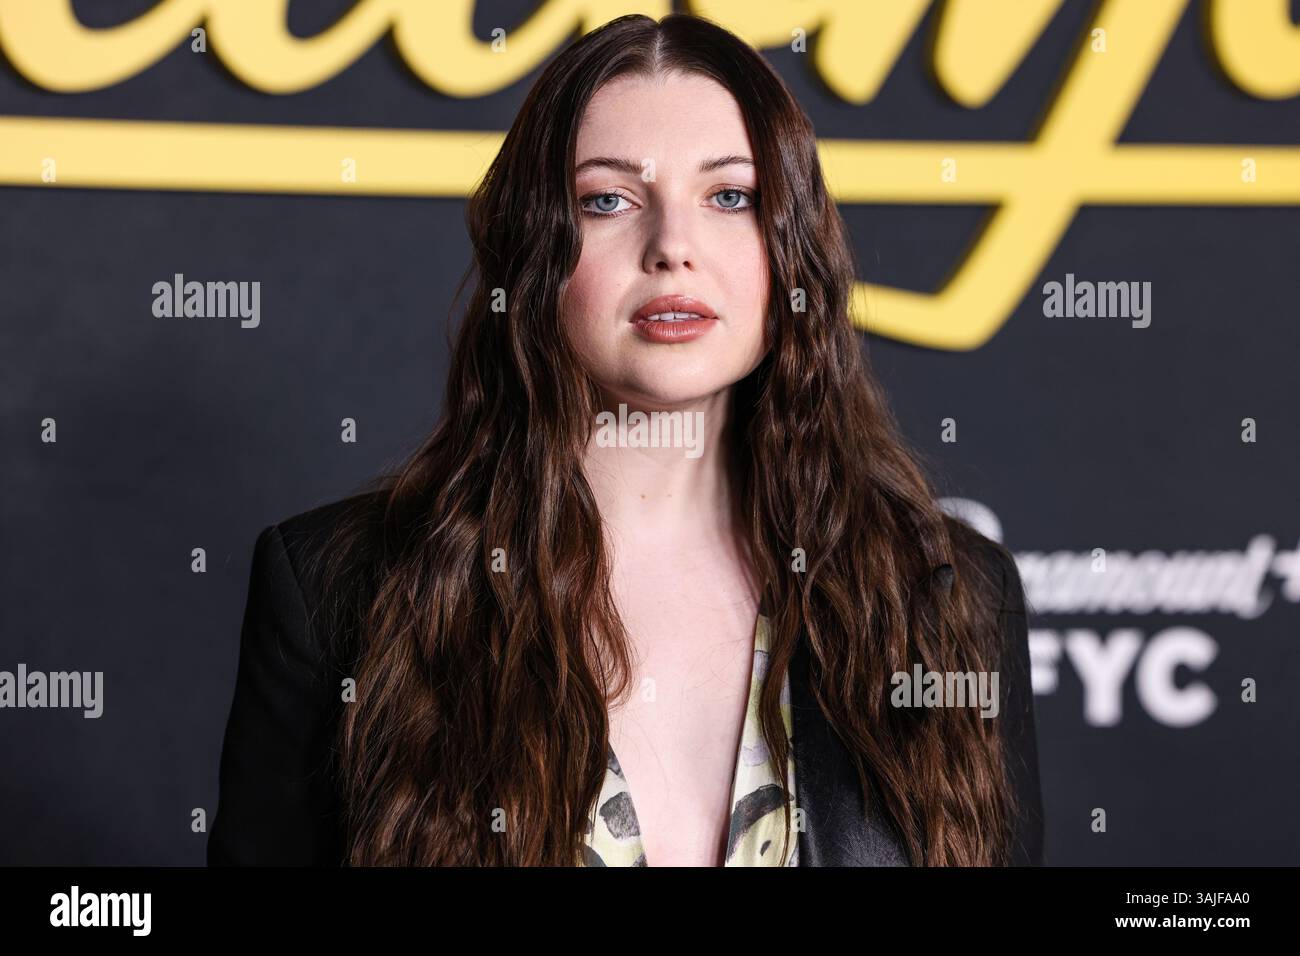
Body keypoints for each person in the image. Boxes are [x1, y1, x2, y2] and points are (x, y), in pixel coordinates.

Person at [208, 12, 1043, 867]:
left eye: (730, 196)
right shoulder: (339, 592)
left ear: (790, 248)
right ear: (535, 253)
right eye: (607, 200)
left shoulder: (947, 597)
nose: (672, 248)